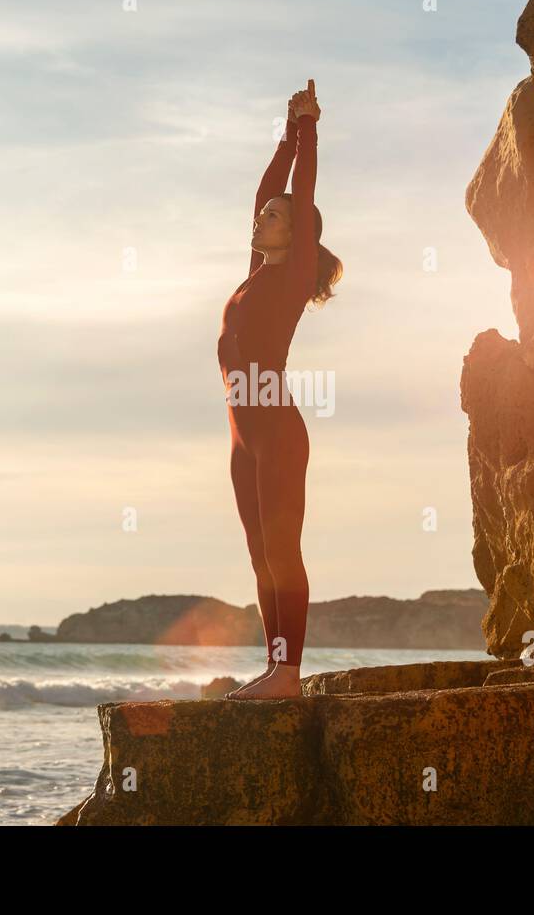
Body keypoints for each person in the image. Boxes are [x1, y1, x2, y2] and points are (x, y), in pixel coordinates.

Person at [217, 80, 342, 700]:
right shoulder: (253, 277)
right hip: (244, 437)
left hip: (278, 432)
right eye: (263, 214)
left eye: (274, 217)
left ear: (297, 238)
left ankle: (289, 674)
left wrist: (310, 130)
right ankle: (275, 669)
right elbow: (269, 188)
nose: (261, 216)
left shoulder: (290, 278)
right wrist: (285, 132)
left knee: (283, 552)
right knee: (259, 555)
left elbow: (301, 191)